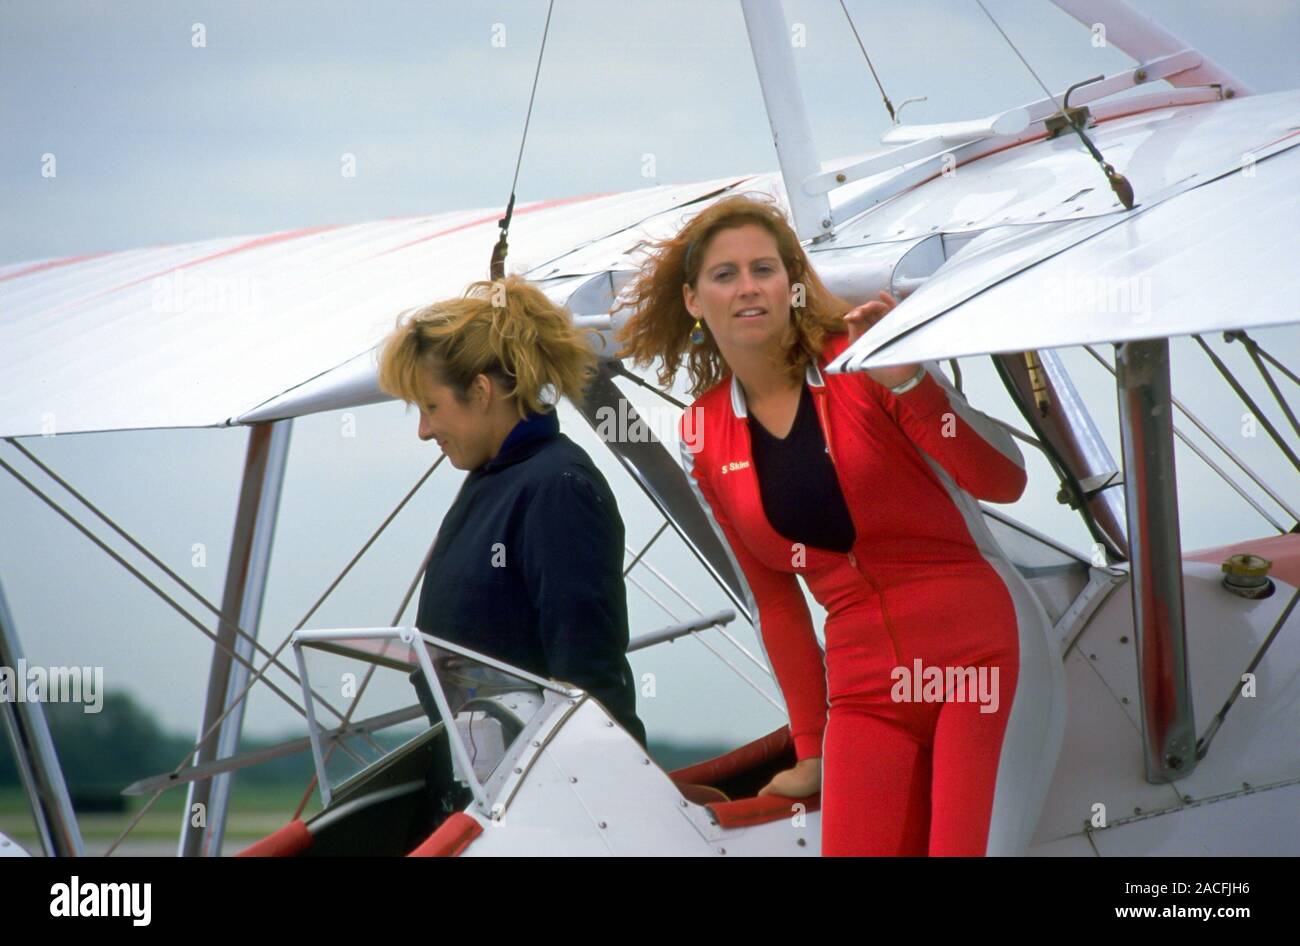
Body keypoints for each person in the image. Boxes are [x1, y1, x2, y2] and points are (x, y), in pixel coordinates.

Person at [616, 194, 1064, 855]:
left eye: (764, 269)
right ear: (692, 300)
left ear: (793, 286)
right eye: (724, 274)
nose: (747, 288)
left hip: (979, 657)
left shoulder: (865, 362)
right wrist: (809, 746)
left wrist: (913, 383)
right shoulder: (701, 432)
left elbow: (1004, 480)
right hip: (863, 691)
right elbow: (775, 600)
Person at [377, 275, 647, 748]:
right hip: (489, 782)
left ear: (481, 392)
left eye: (430, 406)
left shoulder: (557, 487)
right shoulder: (493, 482)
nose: (423, 430)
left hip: (548, 796)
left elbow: (588, 677)